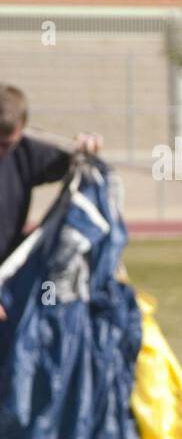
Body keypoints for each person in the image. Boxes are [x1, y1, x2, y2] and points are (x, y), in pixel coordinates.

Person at [0, 83, 102, 320]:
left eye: (7, 144)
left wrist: (86, 148)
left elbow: (66, 162)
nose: (2, 152)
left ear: (22, 129)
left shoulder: (24, 153)